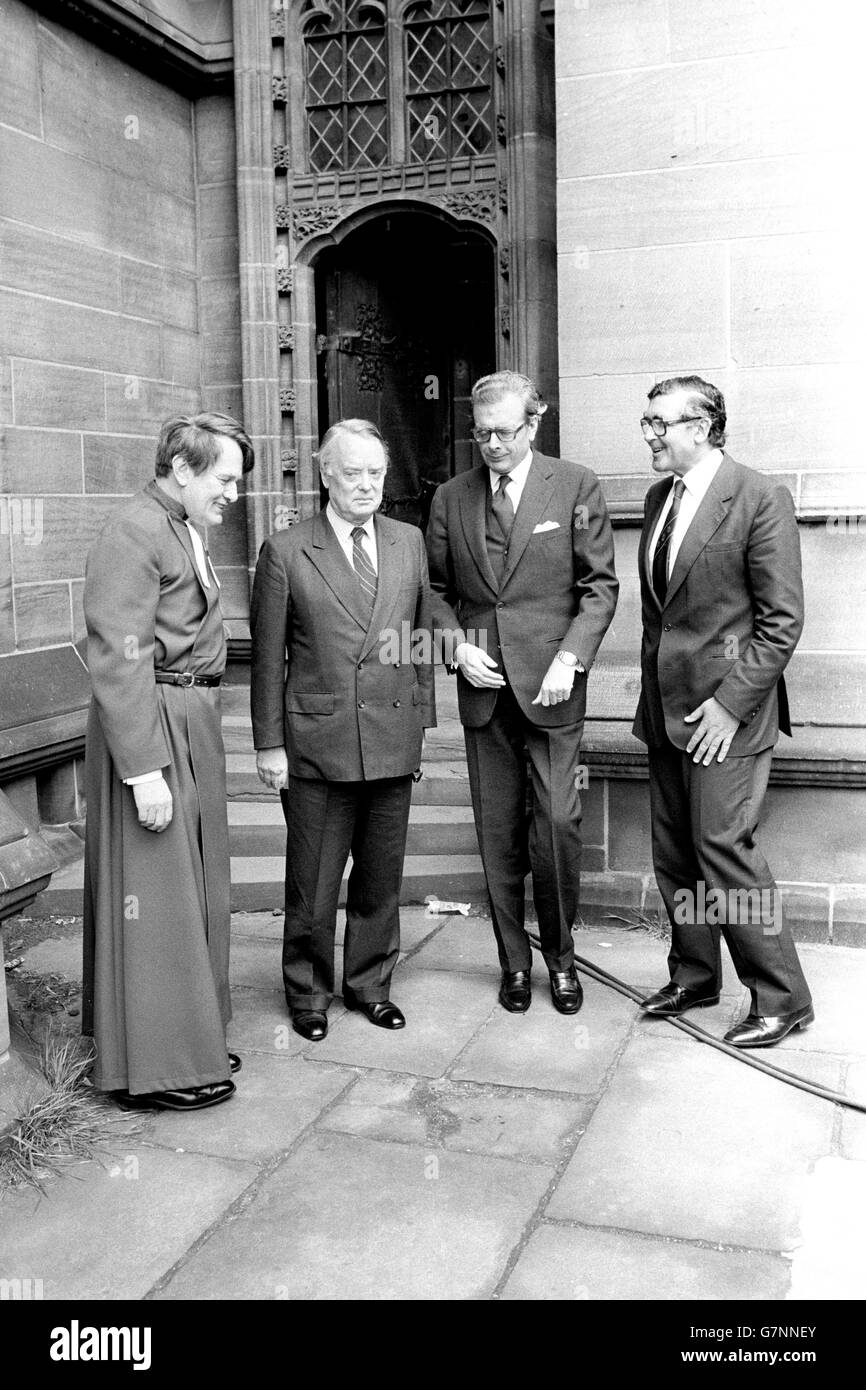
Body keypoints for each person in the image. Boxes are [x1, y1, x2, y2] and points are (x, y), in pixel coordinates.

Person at [426, 371, 618, 1015]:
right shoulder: (451, 497)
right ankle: (513, 962)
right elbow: (433, 591)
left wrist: (572, 657)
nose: (493, 445)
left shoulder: (575, 485)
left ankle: (561, 961)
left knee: (557, 825)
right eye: (481, 433)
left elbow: (599, 587)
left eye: (505, 433)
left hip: (554, 690)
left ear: (534, 424)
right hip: (484, 692)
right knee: (498, 832)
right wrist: (456, 646)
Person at [633, 375, 813, 1047]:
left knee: (722, 848)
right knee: (676, 852)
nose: (650, 435)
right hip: (666, 711)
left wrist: (730, 707)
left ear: (702, 428)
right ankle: (695, 975)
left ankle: (783, 998)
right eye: (648, 422)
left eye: (660, 424)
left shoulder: (760, 497)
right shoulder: (660, 497)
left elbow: (781, 622)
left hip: (726, 717)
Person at [82, 412, 255, 1109]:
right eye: (225, 479)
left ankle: (190, 1040)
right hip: (153, 723)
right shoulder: (135, 530)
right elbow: (117, 657)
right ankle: (156, 1068)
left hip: (189, 716)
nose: (234, 495)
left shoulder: (178, 525)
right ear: (182, 468)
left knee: (192, 887)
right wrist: (144, 770)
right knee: (154, 900)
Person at [250, 419, 435, 1042]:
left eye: (375, 473)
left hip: (391, 736)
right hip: (317, 743)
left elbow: (419, 638)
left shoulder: (409, 541)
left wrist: (419, 725)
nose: (365, 484)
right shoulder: (286, 550)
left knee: (381, 878)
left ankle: (371, 985)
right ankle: (307, 993)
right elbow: (268, 658)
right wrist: (269, 744)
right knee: (313, 882)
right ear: (325, 474)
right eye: (352, 472)